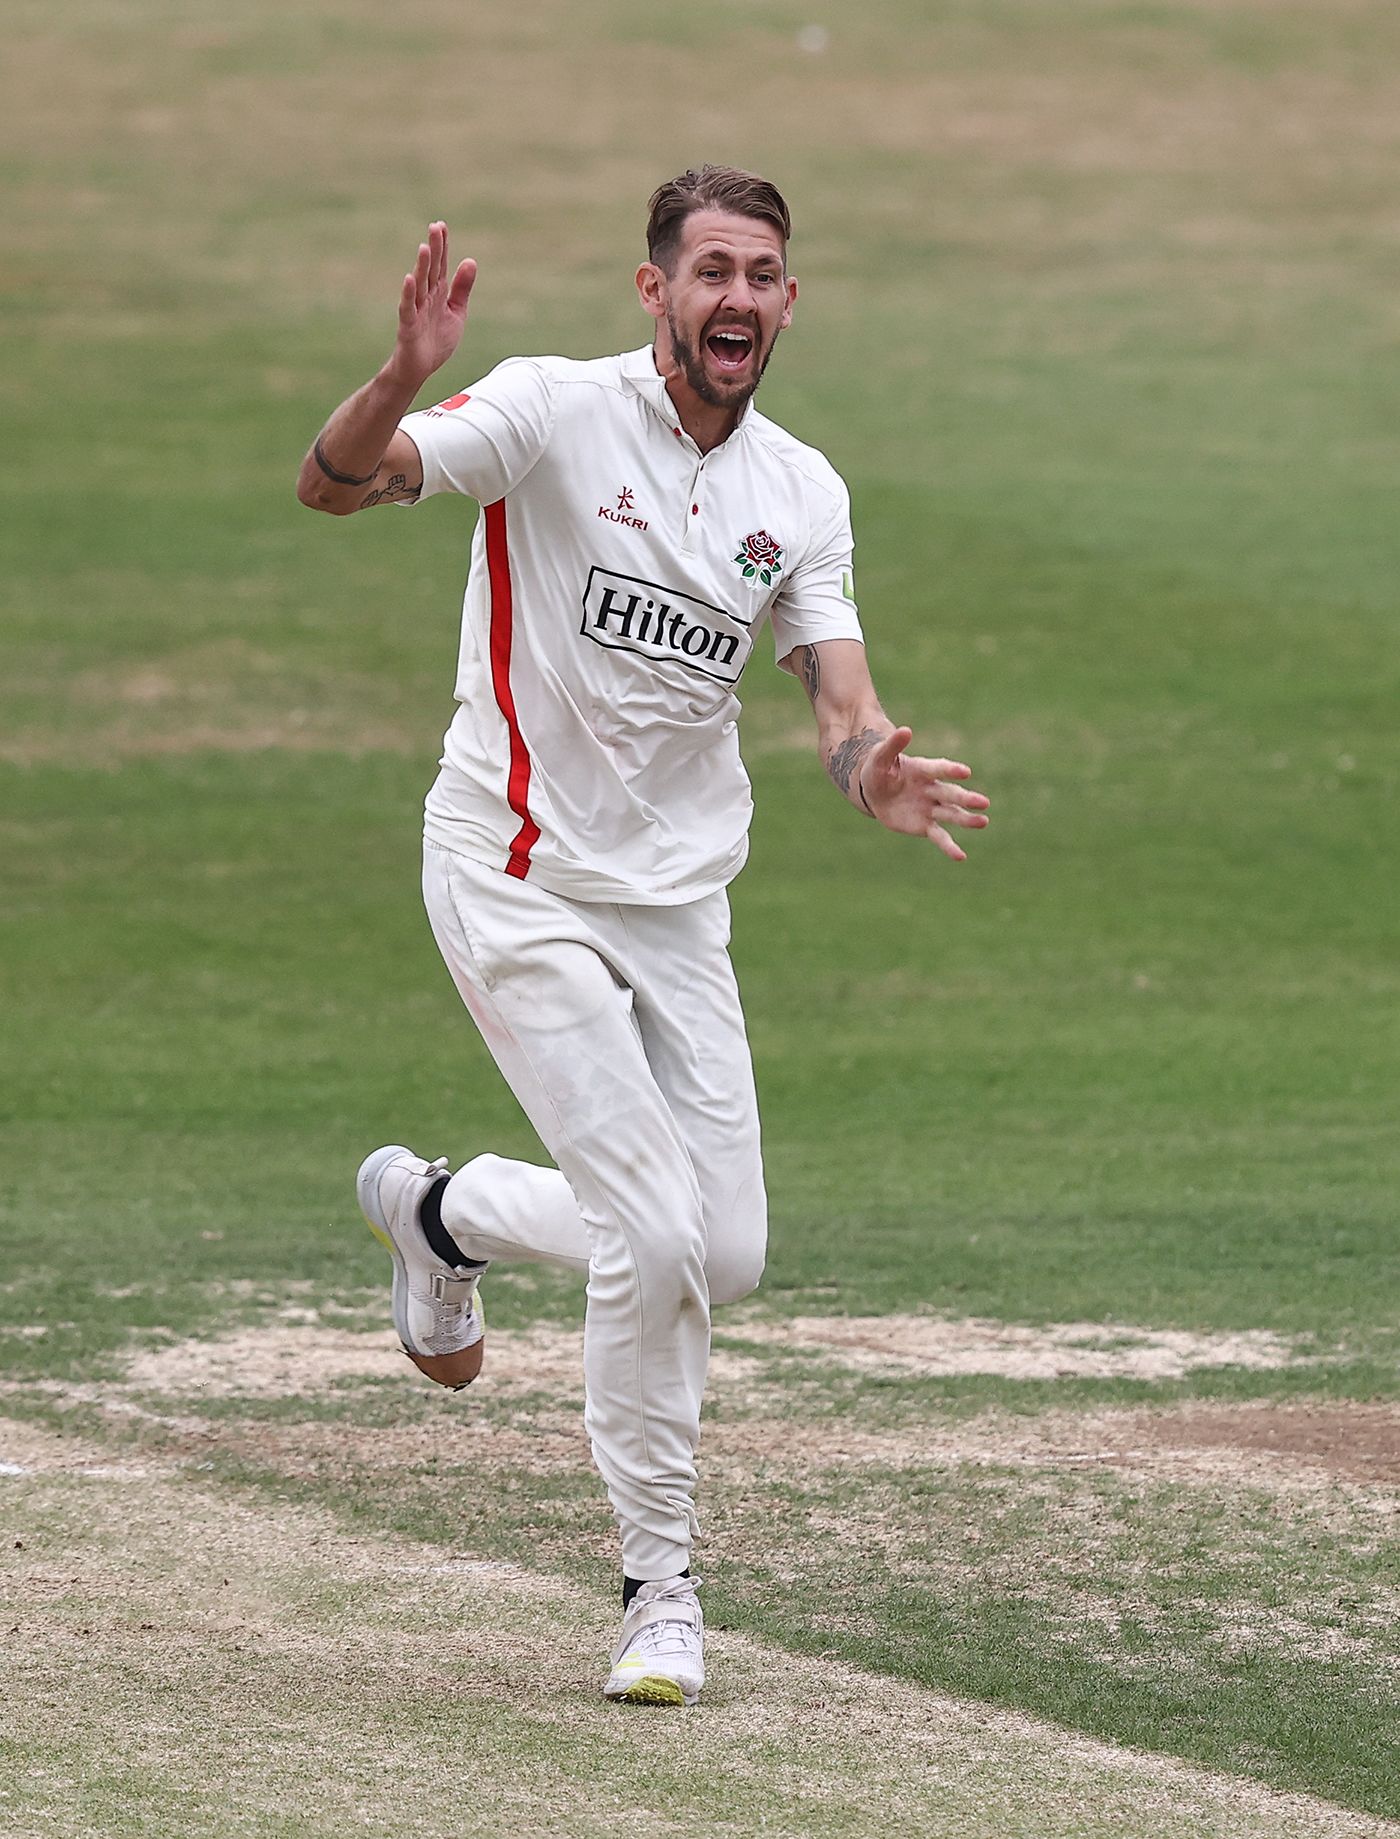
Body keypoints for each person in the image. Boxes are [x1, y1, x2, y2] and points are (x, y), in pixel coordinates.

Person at [296, 165, 989, 1707]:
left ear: (789, 304)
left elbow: (840, 687)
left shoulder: (800, 489)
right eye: (711, 271)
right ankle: (658, 1584)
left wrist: (865, 763)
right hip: (514, 868)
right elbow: (338, 484)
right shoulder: (548, 409)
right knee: (659, 1237)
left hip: (677, 900)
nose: (737, 298)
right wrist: (397, 381)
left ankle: (446, 1215)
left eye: (763, 275)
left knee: (720, 1250)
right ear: (654, 290)